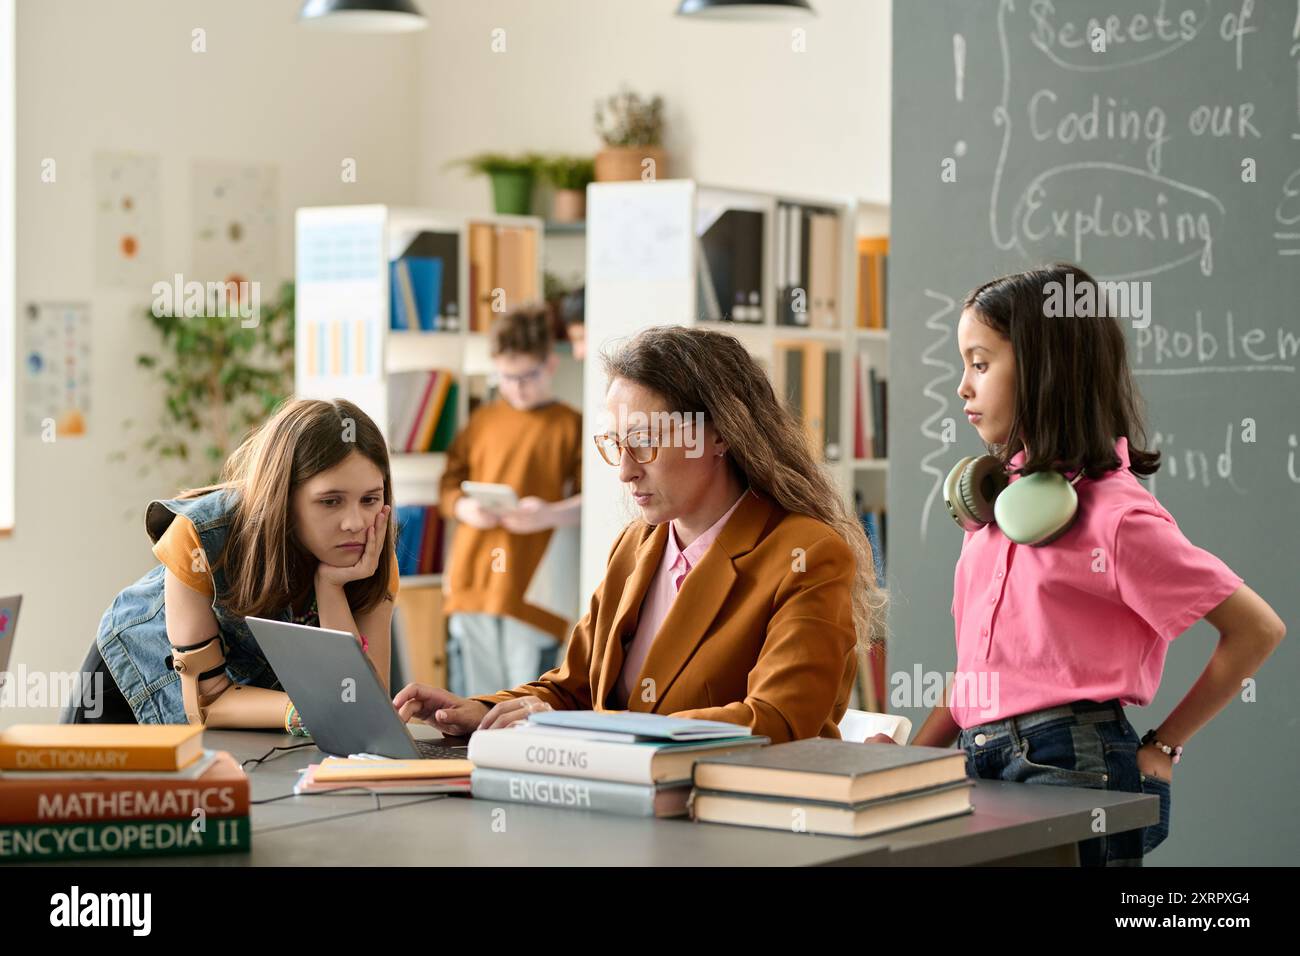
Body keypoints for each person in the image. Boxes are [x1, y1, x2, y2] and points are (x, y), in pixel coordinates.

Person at [905, 264, 1286, 865]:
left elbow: (1257, 629)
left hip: (1073, 760)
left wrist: (1164, 746)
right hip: (977, 758)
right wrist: (909, 765)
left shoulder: (1117, 517)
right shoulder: (1000, 507)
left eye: (979, 364)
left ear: (1045, 368)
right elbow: (979, 669)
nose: (962, 387)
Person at [395, 324, 885, 743]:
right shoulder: (638, 545)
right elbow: (572, 688)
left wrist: (587, 729)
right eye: (616, 443)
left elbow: (776, 721)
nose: (625, 471)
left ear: (720, 434)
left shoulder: (808, 554)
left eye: (645, 441)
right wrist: (485, 710)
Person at [65, 398, 399, 729]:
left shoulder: (368, 554)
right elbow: (207, 702)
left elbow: (363, 705)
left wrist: (331, 589)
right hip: (131, 688)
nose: (355, 523)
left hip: (258, 709)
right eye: (330, 501)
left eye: (370, 499)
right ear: (284, 497)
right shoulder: (196, 537)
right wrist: (307, 711)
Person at [439, 307, 583, 696]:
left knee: (525, 702)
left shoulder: (571, 425)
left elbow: (594, 501)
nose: (517, 387)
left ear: (550, 364)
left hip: (533, 587)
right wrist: (465, 508)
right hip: (472, 580)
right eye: (506, 376)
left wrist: (549, 514)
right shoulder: (482, 421)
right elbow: (448, 485)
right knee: (471, 704)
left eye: (527, 376)